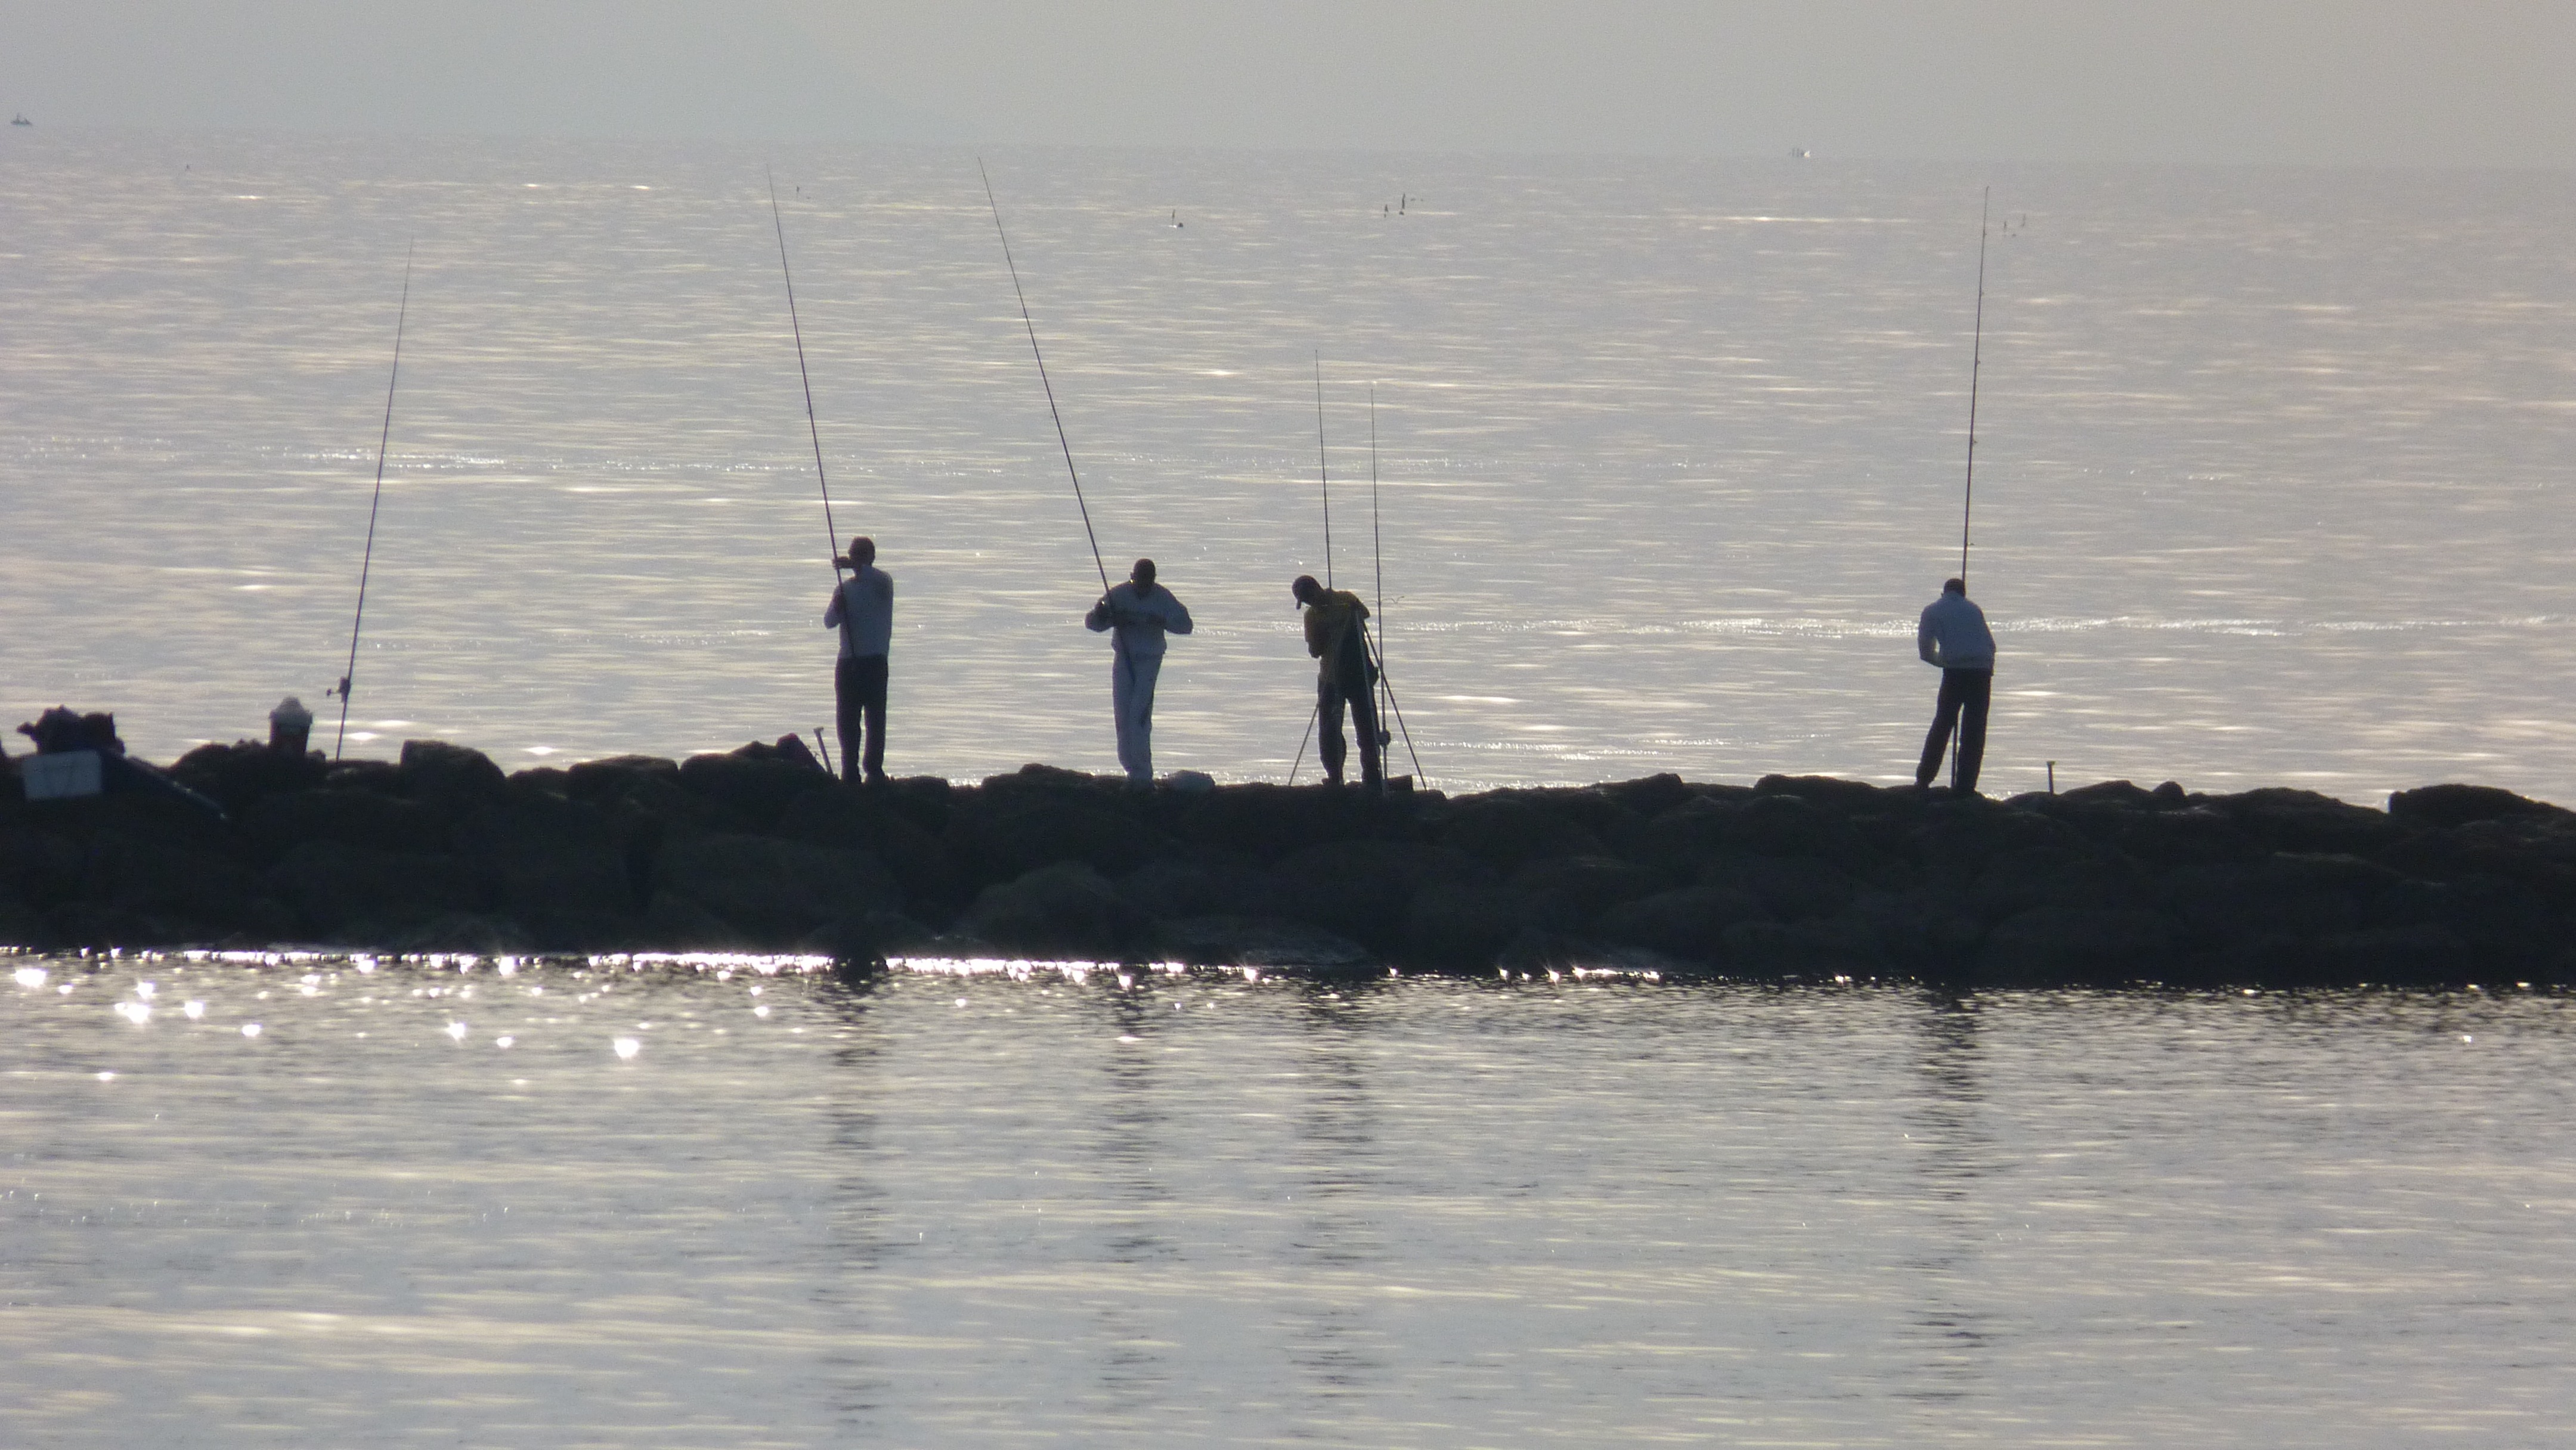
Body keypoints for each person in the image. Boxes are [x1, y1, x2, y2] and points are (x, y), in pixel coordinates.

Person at [1084, 558, 1193, 788]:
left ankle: (1143, 774)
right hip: (1124, 658)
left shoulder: (1163, 598)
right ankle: (1130, 768)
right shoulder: (1119, 595)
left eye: (1147, 582)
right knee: (1123, 715)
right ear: (1132, 576)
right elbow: (1093, 623)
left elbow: (1186, 626)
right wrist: (1108, 616)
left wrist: (1162, 622)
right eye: (1139, 580)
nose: (1142, 586)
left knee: (1139, 714)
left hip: (1149, 661)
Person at [1292, 574, 1382, 789]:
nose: (1308, 603)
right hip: (1334, 679)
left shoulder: (1344, 602)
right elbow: (1316, 651)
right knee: (1332, 731)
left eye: (1307, 598)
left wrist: (1341, 620)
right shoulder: (1316, 614)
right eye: (1305, 601)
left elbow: (1364, 615)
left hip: (1353, 675)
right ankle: (1337, 777)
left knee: (1364, 728)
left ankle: (1370, 776)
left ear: (1315, 590)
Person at [822, 535, 894, 784]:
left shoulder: (882, 583)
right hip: (848, 662)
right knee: (847, 721)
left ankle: (874, 770)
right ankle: (849, 770)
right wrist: (837, 606)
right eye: (854, 554)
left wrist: (857, 566)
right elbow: (829, 622)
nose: (857, 559)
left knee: (875, 720)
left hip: (874, 662)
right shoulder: (844, 589)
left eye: (862, 554)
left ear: (872, 557)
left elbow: (872, 576)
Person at [1915, 577, 1996, 792]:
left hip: (1955, 673)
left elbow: (1925, 652)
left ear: (1943, 593)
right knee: (1975, 731)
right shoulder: (1975, 610)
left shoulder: (1932, 611)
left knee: (1943, 724)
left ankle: (1924, 779)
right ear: (1964, 594)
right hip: (1982, 671)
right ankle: (1965, 786)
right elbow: (1991, 645)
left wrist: (1943, 662)